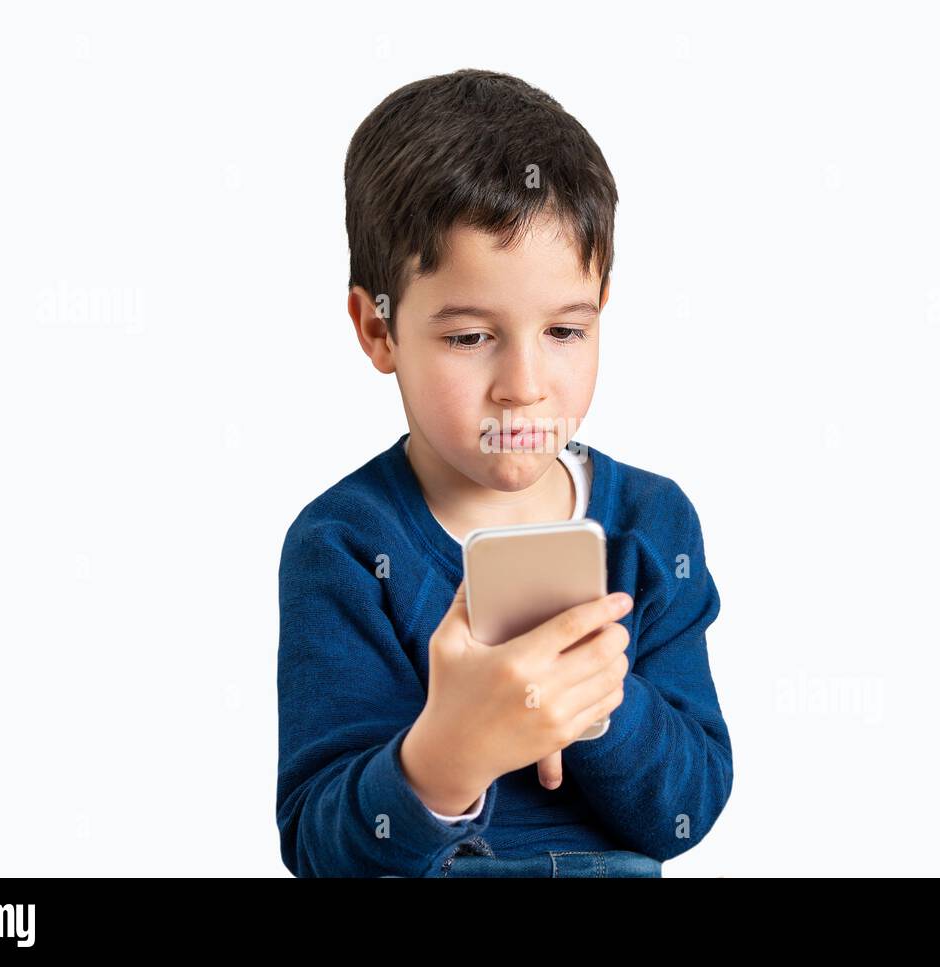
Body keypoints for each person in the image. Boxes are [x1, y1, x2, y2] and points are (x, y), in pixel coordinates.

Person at [276, 69, 732, 877]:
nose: (525, 382)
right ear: (378, 330)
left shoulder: (654, 526)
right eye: (468, 337)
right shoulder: (344, 543)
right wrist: (445, 757)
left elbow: (686, 810)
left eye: (563, 330)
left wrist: (599, 701)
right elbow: (321, 847)